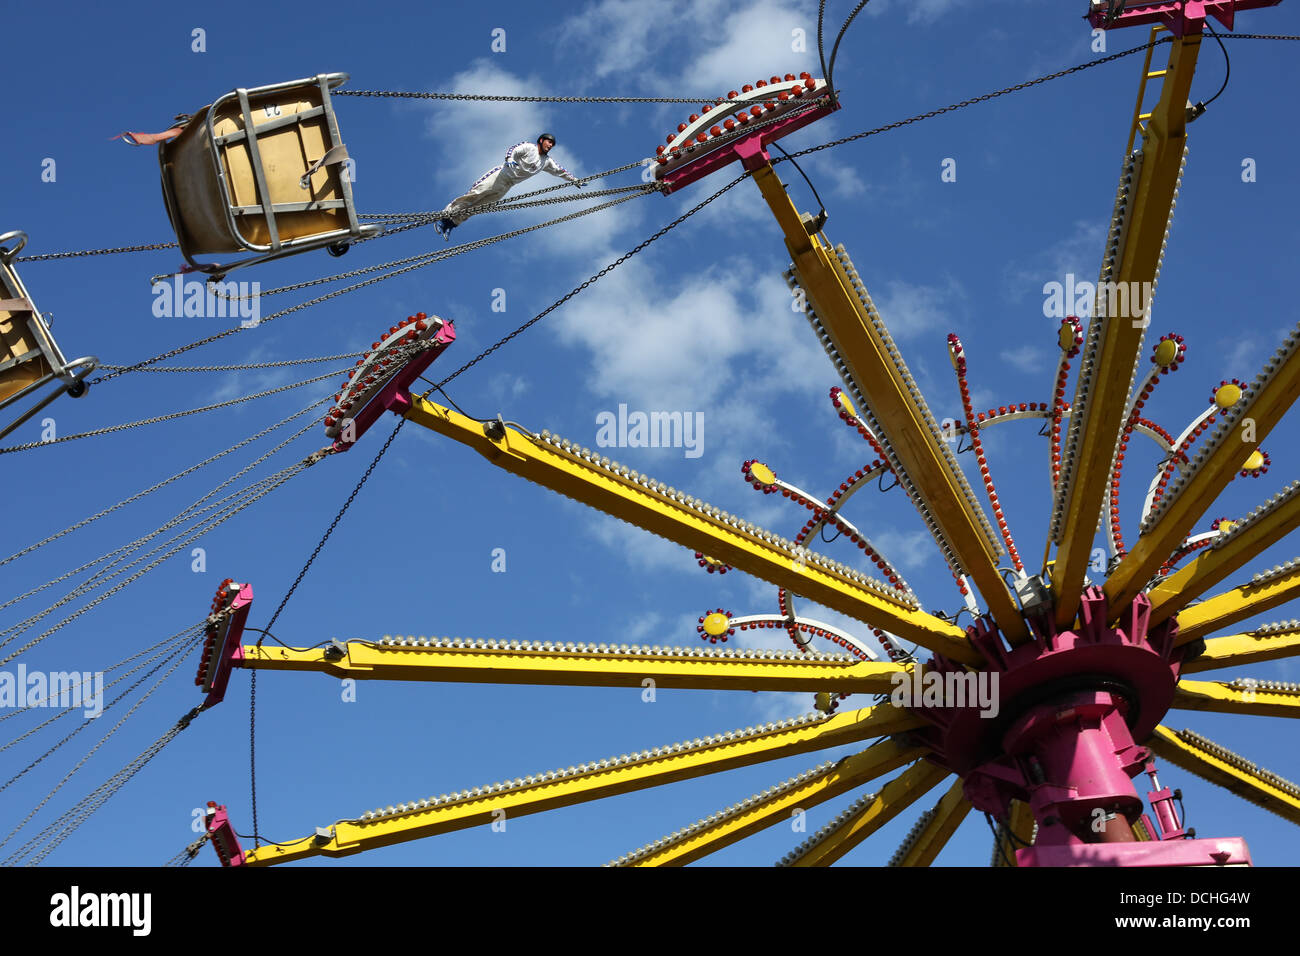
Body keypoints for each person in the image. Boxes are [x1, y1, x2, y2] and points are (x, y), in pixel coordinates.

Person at [435, 134, 582, 240]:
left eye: (552, 145)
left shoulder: (546, 161)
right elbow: (514, 149)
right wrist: (509, 159)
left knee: (481, 206)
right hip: (500, 175)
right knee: (475, 194)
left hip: (508, 185)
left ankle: (451, 224)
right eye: (549, 142)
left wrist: (574, 179)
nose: (550, 146)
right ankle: (445, 215)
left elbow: (559, 170)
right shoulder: (529, 147)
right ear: (541, 140)